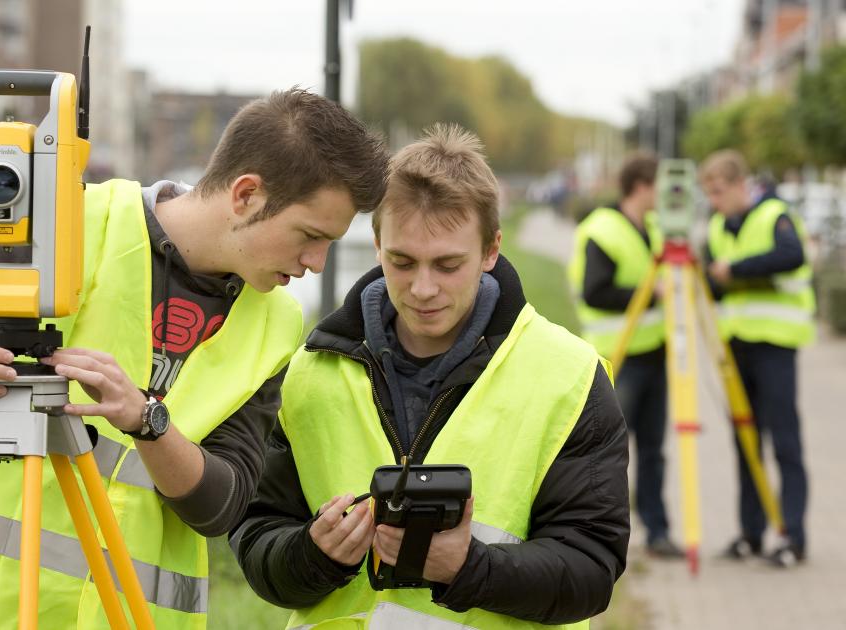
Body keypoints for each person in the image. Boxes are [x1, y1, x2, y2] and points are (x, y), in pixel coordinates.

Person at [0, 88, 390, 629]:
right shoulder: (70, 222)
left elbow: (220, 509)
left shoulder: (276, 322)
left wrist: (148, 422)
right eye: (310, 236)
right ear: (246, 194)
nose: (317, 263)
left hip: (131, 617)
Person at [230, 124, 629, 628]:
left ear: (491, 251)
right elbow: (256, 539)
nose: (422, 288)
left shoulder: (570, 377)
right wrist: (311, 555)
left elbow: (592, 568)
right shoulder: (308, 374)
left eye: (447, 265)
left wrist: (469, 569)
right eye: (402, 262)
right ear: (378, 245)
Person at [699, 149, 814, 568]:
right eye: (709, 194)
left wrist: (735, 269)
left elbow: (792, 256)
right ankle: (751, 535)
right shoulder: (717, 226)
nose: (714, 201)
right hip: (737, 348)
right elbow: (714, 283)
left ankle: (793, 538)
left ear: (740, 184)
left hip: (775, 345)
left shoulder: (774, 215)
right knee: (746, 443)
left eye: (719, 191)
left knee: (785, 443)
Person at [567, 152, 682, 559]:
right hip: (617, 359)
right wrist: (650, 294)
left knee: (653, 450)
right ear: (642, 186)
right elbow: (595, 292)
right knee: (609, 454)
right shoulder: (601, 229)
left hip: (655, 354)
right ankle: (598, 535)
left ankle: (658, 530)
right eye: (659, 186)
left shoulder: (655, 228)